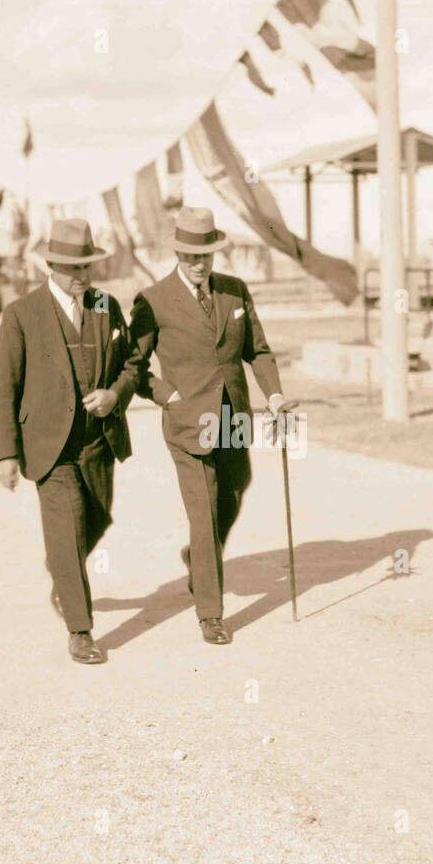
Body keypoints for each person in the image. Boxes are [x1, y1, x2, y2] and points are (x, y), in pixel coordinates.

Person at [129, 207, 289, 645]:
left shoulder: (235, 292)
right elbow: (133, 367)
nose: (198, 264)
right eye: (189, 256)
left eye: (206, 256)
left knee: (235, 489)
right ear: (177, 253)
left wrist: (273, 395)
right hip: (187, 424)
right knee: (203, 514)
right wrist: (166, 395)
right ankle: (210, 612)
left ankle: (198, 558)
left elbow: (258, 351)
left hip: (234, 417)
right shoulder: (153, 300)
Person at [0, 218, 144, 665]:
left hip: (99, 441)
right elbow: (2, 388)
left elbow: (131, 362)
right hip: (47, 446)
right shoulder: (21, 315)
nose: (83, 275)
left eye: (88, 265)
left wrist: (114, 393)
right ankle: (81, 629)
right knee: (65, 524)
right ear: (51, 265)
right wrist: (5, 454)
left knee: (96, 519)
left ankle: (62, 569)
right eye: (73, 267)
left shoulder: (106, 307)